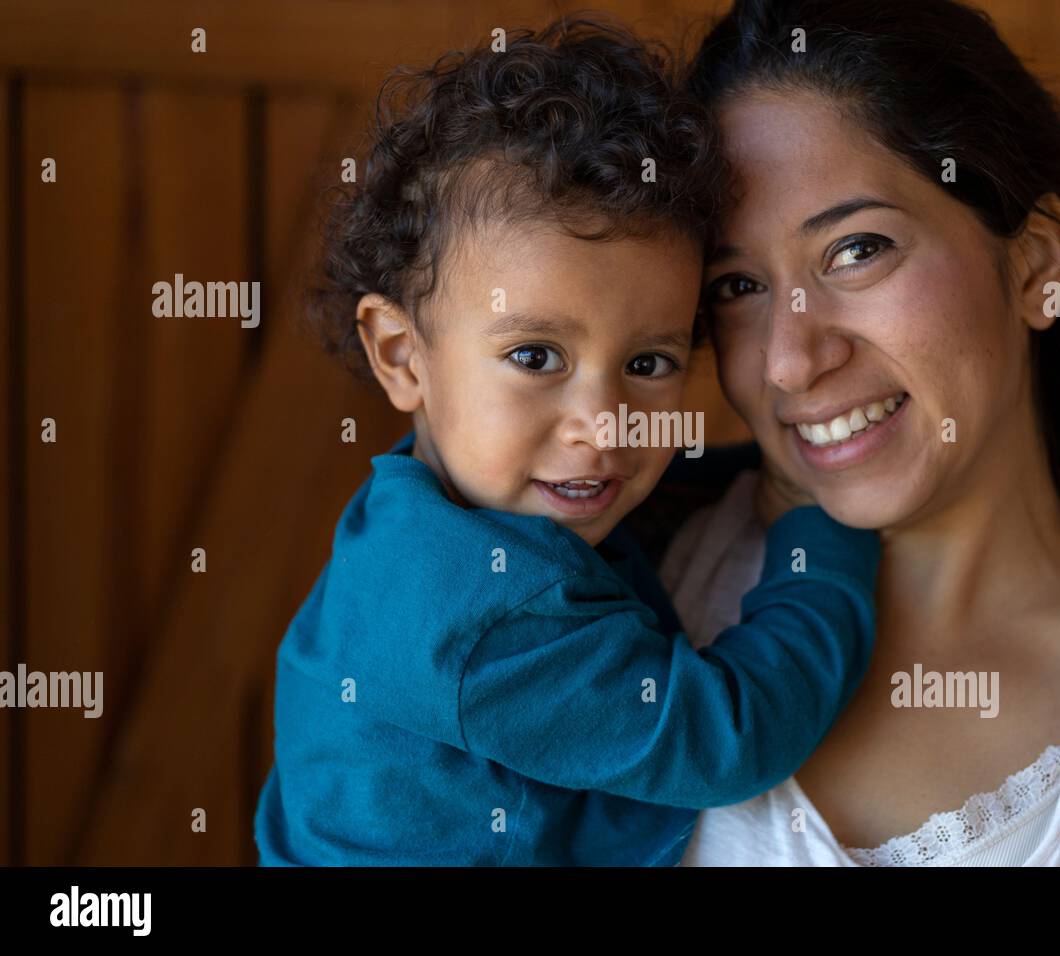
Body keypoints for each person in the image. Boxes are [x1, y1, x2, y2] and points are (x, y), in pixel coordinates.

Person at [632, 0, 1060, 865]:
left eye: (857, 250)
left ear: (1035, 266)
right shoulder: (602, 581)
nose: (791, 361)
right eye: (737, 288)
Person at [252, 18, 882, 866]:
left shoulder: (437, 511)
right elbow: (728, 739)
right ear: (403, 356)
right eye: (535, 356)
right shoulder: (472, 621)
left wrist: (765, 468)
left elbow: (649, 499)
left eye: (649, 361)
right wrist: (826, 525)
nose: (607, 423)